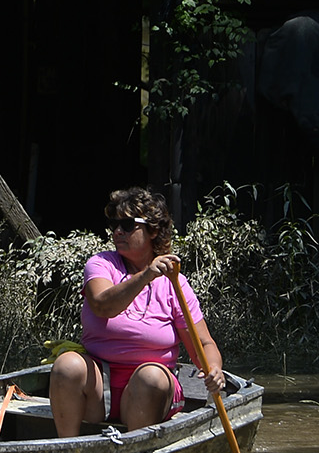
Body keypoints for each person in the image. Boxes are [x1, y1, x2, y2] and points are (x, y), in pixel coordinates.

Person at [50, 187, 226, 438]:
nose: (117, 231)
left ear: (153, 230)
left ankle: (136, 451)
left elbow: (204, 344)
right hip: (101, 386)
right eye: (114, 225)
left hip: (152, 389)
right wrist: (146, 275)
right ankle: (68, 450)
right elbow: (102, 305)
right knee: (66, 364)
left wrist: (214, 369)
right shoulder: (101, 264)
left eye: (128, 224)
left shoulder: (174, 282)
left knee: (150, 376)